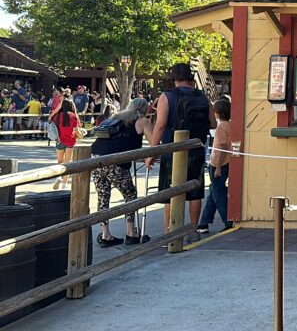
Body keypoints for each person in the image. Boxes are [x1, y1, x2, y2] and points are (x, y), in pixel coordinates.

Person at [145, 63, 215, 242]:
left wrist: (153, 151)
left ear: (173, 77)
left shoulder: (167, 96)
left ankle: (170, 232)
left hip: (173, 150)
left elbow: (160, 125)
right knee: (195, 191)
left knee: (170, 192)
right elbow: (213, 123)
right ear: (190, 76)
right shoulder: (202, 96)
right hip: (196, 149)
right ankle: (193, 230)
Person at [91, 98, 151, 247]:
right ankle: (131, 232)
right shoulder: (142, 121)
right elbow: (154, 142)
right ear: (145, 109)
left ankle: (105, 234)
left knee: (103, 195)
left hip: (96, 158)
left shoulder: (115, 118)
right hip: (116, 161)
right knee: (130, 194)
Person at [198, 98, 233, 234]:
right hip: (227, 162)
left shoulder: (220, 128)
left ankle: (227, 220)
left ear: (217, 113)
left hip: (218, 163)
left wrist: (218, 168)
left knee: (219, 194)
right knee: (213, 191)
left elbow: (222, 147)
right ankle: (204, 222)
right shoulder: (230, 125)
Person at [51, 98, 80, 189]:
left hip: (60, 140)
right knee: (67, 163)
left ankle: (59, 177)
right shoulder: (74, 116)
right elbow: (76, 130)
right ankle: (64, 184)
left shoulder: (58, 115)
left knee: (60, 162)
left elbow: (52, 122)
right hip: (70, 141)